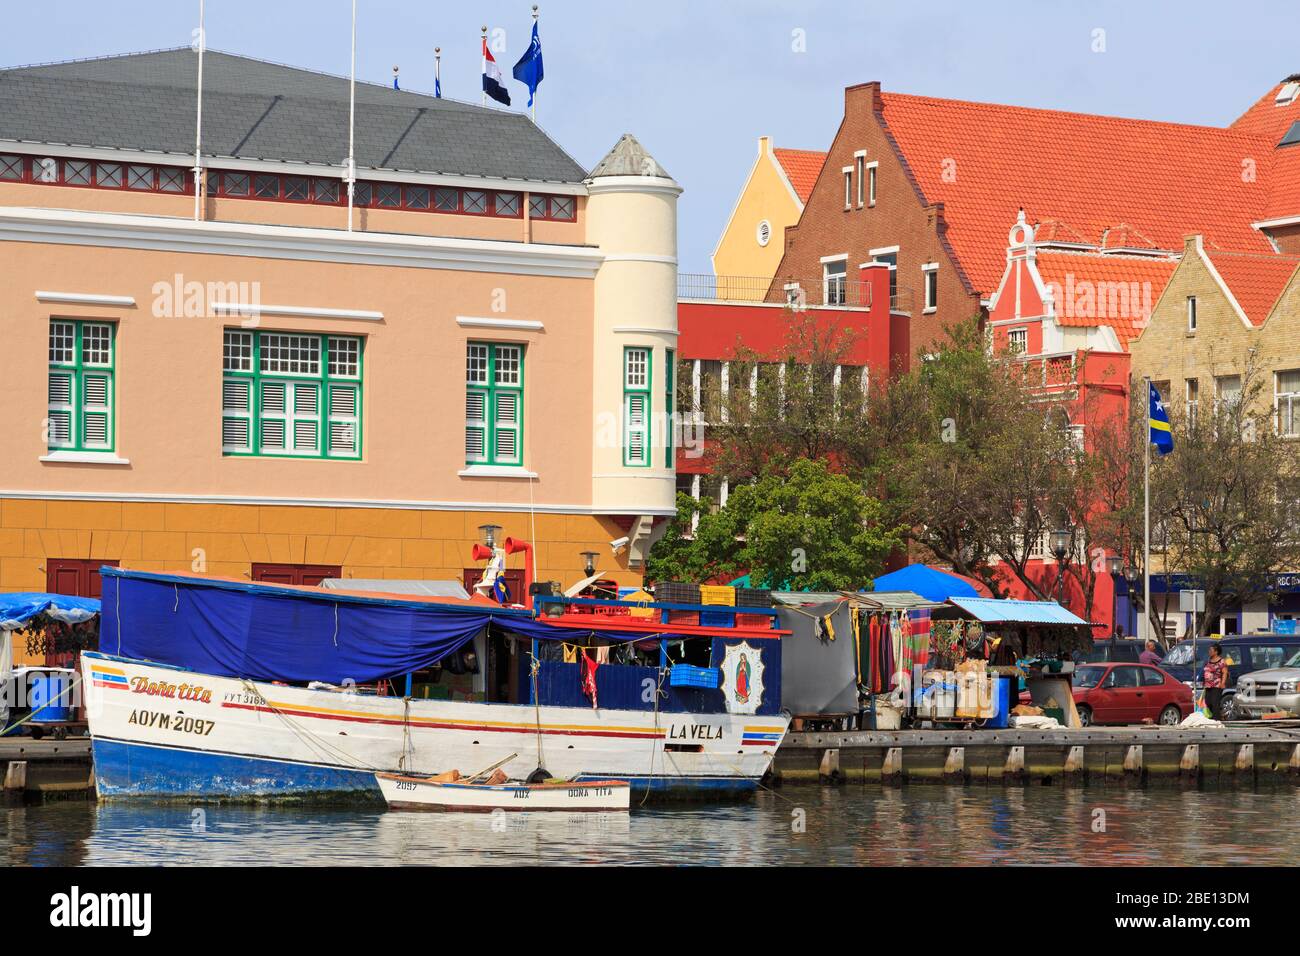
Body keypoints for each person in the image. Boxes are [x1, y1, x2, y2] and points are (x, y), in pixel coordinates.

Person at [1203, 643, 1229, 719]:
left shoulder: (1221, 661)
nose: (1209, 652)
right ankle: (1218, 715)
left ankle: (1216, 719)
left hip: (1217, 685)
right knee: (1208, 702)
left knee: (1215, 702)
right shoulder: (1208, 660)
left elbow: (1225, 673)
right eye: (1209, 650)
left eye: (1211, 650)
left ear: (1216, 652)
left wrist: (1223, 683)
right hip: (1208, 685)